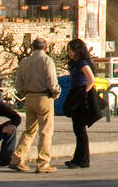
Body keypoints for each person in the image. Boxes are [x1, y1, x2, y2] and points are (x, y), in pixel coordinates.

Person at [10, 38, 59, 174]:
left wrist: (24, 92)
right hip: (44, 97)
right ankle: (43, 162)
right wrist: (55, 93)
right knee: (46, 131)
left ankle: (18, 157)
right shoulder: (47, 60)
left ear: (32, 48)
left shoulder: (24, 62)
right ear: (46, 48)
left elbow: (18, 82)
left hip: (29, 97)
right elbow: (52, 81)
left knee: (29, 130)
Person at [63, 39, 96, 168]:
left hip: (80, 94)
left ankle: (83, 159)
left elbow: (91, 79)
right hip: (76, 92)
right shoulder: (75, 63)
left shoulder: (82, 63)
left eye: (70, 50)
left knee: (80, 129)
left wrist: (83, 93)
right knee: (77, 129)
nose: (69, 53)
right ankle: (78, 158)